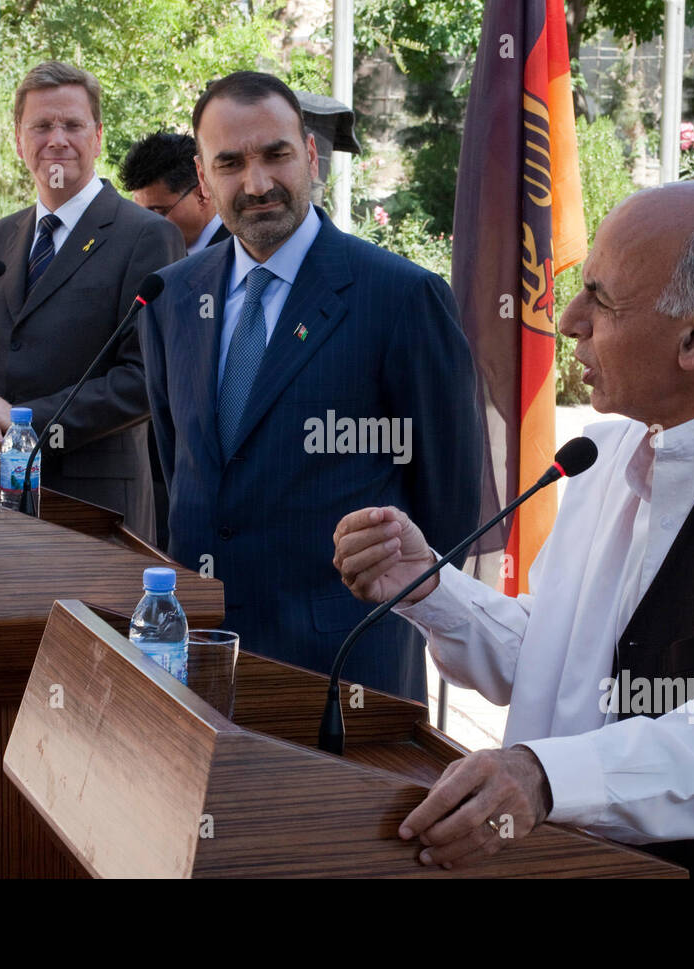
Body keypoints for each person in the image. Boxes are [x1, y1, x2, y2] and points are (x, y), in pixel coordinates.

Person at [333, 180, 694, 877]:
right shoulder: (609, 451)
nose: (568, 319)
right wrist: (427, 584)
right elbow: (549, 654)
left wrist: (545, 776)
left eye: (601, 300)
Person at [141, 72, 481, 701]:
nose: (258, 183)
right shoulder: (171, 298)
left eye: (276, 155)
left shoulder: (402, 298)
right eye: (231, 163)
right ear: (203, 178)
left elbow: (451, 507)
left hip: (347, 675)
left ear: (310, 154)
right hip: (199, 667)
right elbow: (179, 470)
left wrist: (392, 614)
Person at [0, 61, 185, 542]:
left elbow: (147, 378)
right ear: (17, 138)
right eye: (42, 126)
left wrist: (21, 421)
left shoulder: (148, 237)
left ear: (98, 136)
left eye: (72, 124)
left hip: (96, 512)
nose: (57, 139)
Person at [121, 131, 229, 254]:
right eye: (140, 215)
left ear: (202, 194)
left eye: (157, 212)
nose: (145, 226)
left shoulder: (244, 252)